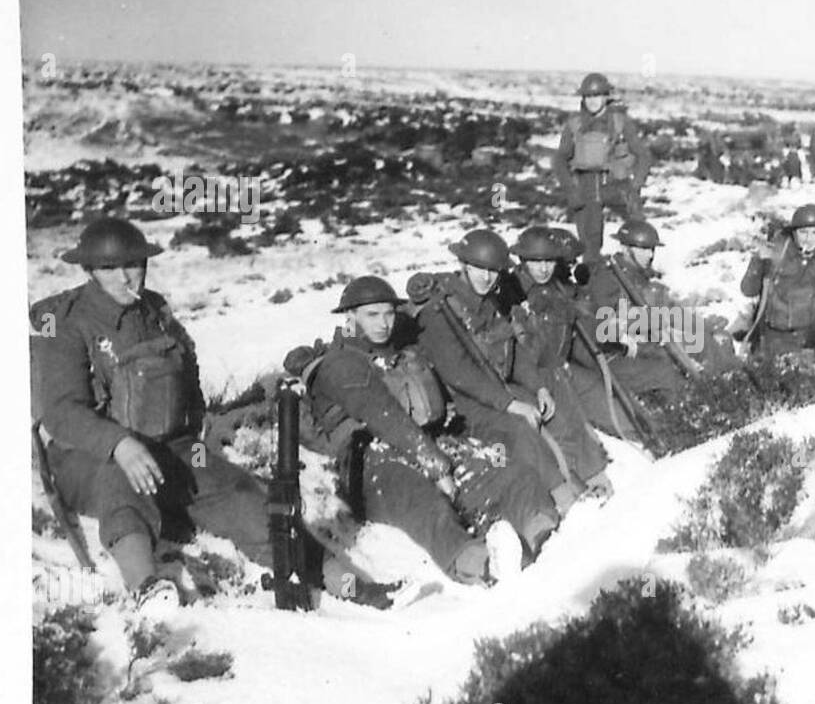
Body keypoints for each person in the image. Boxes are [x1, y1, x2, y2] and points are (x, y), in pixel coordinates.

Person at [29, 217, 273, 612]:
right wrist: (119, 444)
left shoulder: (156, 311)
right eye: (109, 268)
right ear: (89, 271)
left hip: (169, 446)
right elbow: (61, 412)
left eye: (134, 264)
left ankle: (328, 576)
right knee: (123, 485)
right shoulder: (66, 322)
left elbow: (187, 376)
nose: (125, 276)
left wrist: (197, 440)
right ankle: (147, 586)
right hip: (87, 456)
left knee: (242, 491)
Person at [290, 275, 551, 584]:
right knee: (426, 502)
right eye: (372, 315)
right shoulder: (341, 364)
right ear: (350, 317)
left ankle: (540, 534)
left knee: (506, 469)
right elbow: (385, 418)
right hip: (373, 464)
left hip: (428, 442)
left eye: (389, 313)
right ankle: (476, 564)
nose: (384, 323)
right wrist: (439, 468)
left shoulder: (403, 352)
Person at [412, 229, 609, 517]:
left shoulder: (491, 301)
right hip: (467, 404)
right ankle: (560, 493)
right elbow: (458, 373)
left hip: (497, 387)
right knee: (518, 427)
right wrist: (510, 404)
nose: (487, 277)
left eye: (493, 270)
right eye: (479, 268)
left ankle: (588, 473)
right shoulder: (439, 311)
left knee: (549, 401)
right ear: (464, 266)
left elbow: (512, 350)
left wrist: (538, 387)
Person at [509, 226, 638, 446]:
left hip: (562, 369)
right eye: (536, 262)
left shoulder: (557, 288)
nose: (543, 269)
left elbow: (584, 316)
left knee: (626, 419)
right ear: (522, 259)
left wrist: (618, 336)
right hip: (532, 380)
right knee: (582, 443)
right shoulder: (510, 292)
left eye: (549, 261)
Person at [584, 219, 738, 396]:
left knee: (708, 340)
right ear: (626, 249)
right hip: (624, 348)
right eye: (643, 249)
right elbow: (609, 323)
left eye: (651, 249)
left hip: (652, 339)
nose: (650, 255)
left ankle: (730, 388)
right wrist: (648, 322)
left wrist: (703, 326)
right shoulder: (607, 278)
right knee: (677, 363)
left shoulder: (640, 279)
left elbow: (670, 311)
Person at [552, 72, 652, 260]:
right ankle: (593, 283)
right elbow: (560, 159)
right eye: (588, 96)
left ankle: (640, 273)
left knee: (639, 233)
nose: (592, 101)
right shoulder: (575, 124)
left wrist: (635, 187)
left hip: (616, 184)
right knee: (590, 244)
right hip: (586, 184)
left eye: (597, 95)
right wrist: (570, 190)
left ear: (606, 97)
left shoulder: (620, 122)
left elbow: (643, 155)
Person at [738, 204, 815, 362]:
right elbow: (748, 290)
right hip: (779, 328)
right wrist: (758, 262)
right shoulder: (776, 252)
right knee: (777, 370)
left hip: (812, 324)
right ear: (794, 233)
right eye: (803, 232)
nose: (809, 239)